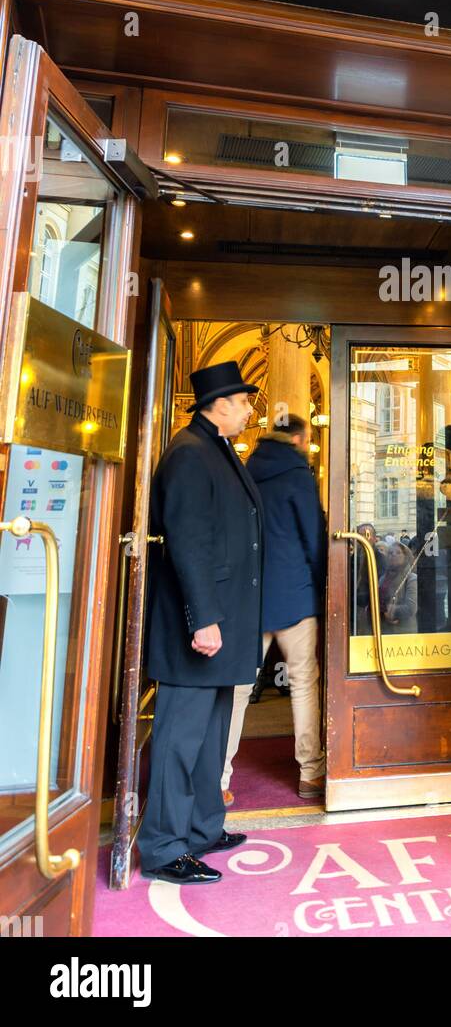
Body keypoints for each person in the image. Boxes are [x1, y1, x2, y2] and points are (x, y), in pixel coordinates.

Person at [138, 360, 263, 886]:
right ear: (220, 405)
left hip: (221, 619)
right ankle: (164, 848)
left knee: (210, 734)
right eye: (243, 401)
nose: (251, 410)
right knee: (179, 737)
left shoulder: (214, 449)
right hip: (200, 623)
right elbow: (189, 543)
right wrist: (203, 618)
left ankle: (202, 829)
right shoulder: (190, 454)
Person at [221, 414, 327, 802]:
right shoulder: (299, 475)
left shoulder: (246, 469)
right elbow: (314, 537)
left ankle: (219, 778)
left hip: (251, 597)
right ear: (300, 438)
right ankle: (311, 772)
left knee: (237, 688)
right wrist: (321, 587)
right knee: (303, 682)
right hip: (295, 595)